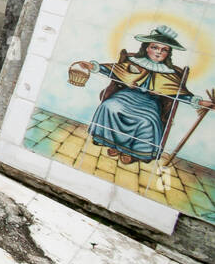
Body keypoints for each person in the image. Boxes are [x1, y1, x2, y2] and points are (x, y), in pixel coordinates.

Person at [69, 26, 214, 165]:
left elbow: (180, 95)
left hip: (150, 103)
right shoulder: (134, 63)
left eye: (164, 50)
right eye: (154, 47)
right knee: (109, 106)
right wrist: (92, 66)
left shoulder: (171, 74)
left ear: (168, 54)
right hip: (126, 95)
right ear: (146, 48)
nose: (158, 52)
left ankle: (132, 152)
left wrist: (201, 103)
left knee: (146, 120)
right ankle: (113, 143)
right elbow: (112, 70)